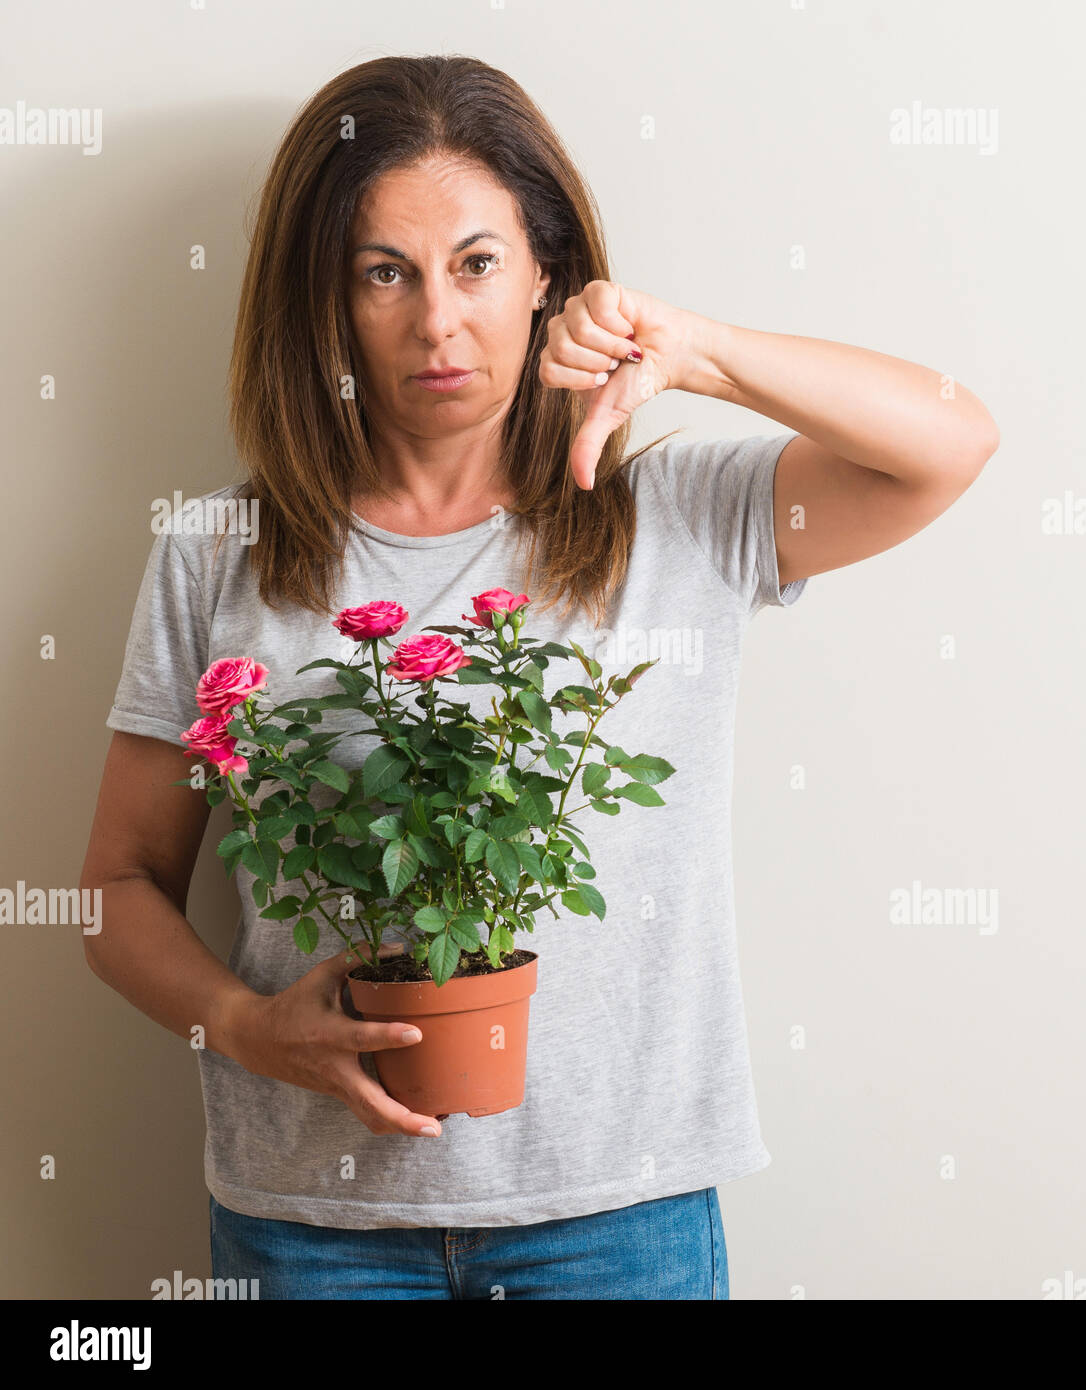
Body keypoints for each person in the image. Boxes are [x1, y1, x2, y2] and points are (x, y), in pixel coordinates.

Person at [80, 53, 998, 1301]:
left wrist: (696, 350)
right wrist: (244, 1027)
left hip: (617, 1216)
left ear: (546, 275)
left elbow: (950, 443)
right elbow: (116, 886)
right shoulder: (216, 549)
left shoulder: (670, 515)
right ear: (327, 302)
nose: (436, 322)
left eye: (476, 263)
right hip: (311, 1224)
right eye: (383, 272)